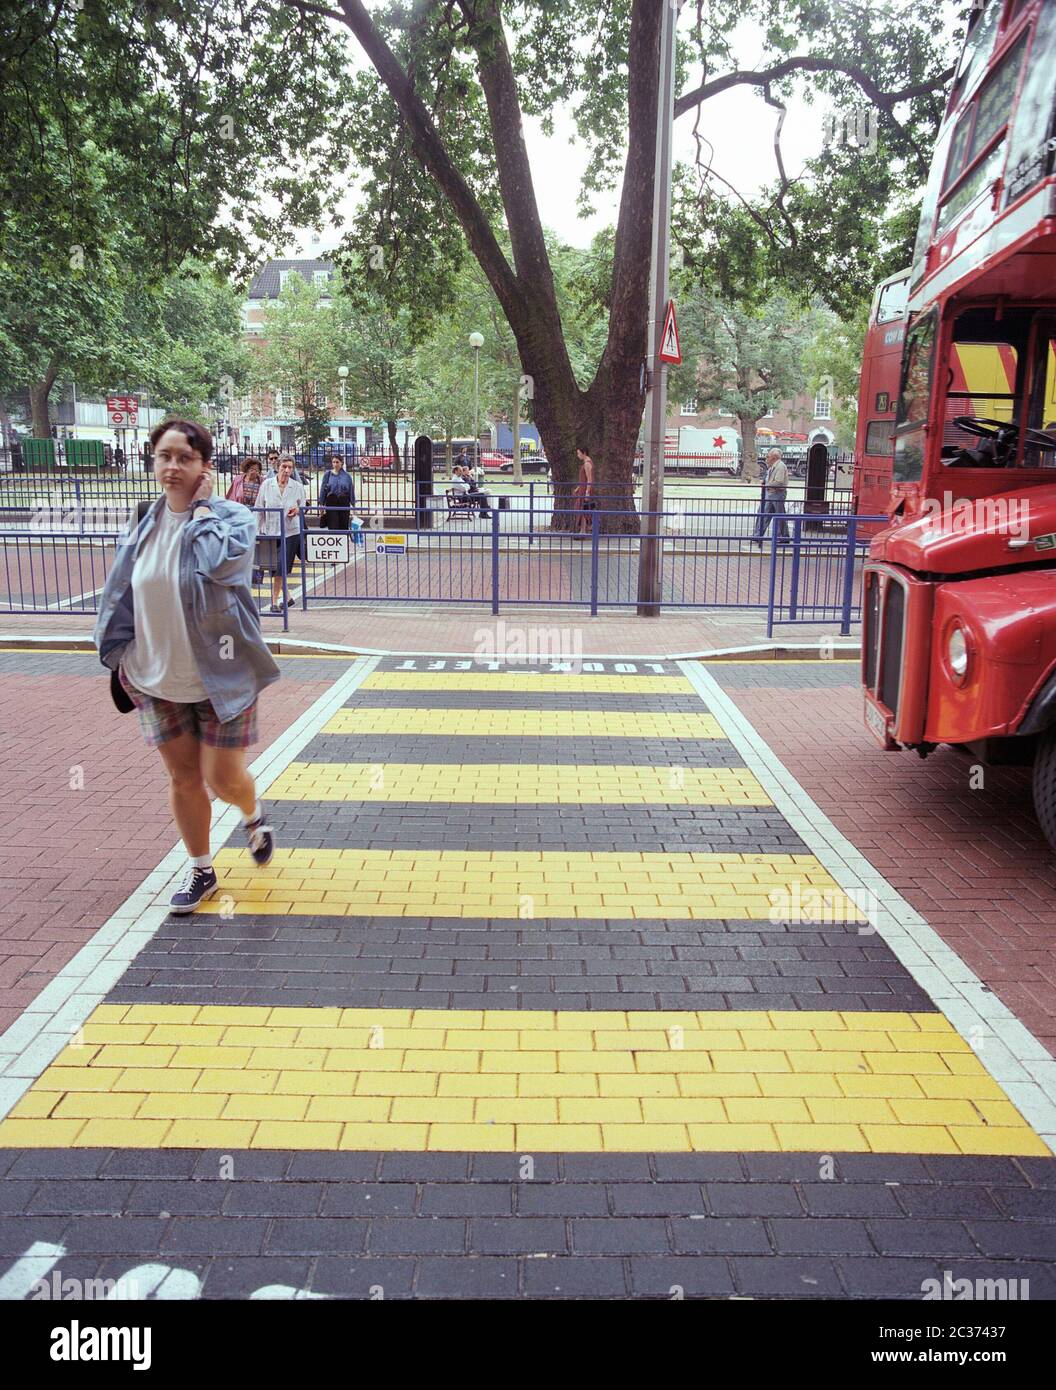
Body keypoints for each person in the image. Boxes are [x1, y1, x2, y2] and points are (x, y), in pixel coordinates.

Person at [94, 417, 280, 914]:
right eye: (164, 456)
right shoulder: (142, 521)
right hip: (155, 675)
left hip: (222, 674)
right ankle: (201, 869)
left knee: (223, 779)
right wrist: (120, 655)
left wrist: (200, 511)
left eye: (185, 457)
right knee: (182, 778)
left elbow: (222, 566)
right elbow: (122, 595)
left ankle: (252, 812)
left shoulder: (234, 518)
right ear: (153, 461)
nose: (173, 467)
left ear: (204, 466)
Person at [254, 455, 307, 612]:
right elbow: (259, 508)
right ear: (277, 467)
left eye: (290, 467)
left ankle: (273, 602)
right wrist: (255, 531)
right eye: (284, 466)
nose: (287, 470)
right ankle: (289, 598)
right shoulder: (267, 485)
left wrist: (297, 511)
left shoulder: (297, 486)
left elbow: (303, 507)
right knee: (275, 568)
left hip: (291, 533)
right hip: (271, 532)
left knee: (281, 567)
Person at [752, 448, 790, 544]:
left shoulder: (780, 466)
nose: (766, 458)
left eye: (768, 456)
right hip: (771, 493)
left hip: (776, 494)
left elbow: (779, 482)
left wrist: (767, 484)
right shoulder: (773, 466)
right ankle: (758, 535)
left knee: (778, 515)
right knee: (765, 513)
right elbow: (769, 479)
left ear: (774, 457)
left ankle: (783, 537)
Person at [318, 452, 356, 530]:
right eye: (334, 462)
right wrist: (321, 504)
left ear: (341, 463)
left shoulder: (347, 476)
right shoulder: (327, 475)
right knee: (333, 526)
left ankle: (344, 540)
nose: (335, 464)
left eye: (337, 462)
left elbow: (351, 491)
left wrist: (353, 505)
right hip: (331, 503)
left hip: (344, 503)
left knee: (343, 526)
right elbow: (323, 490)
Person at [574, 445, 595, 535]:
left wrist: (587, 492)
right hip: (583, 488)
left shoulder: (587, 464)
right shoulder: (586, 463)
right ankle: (583, 529)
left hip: (585, 490)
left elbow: (589, 479)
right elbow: (585, 479)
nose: (578, 455)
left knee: (582, 509)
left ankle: (584, 529)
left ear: (584, 453)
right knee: (583, 509)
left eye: (579, 453)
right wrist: (578, 487)